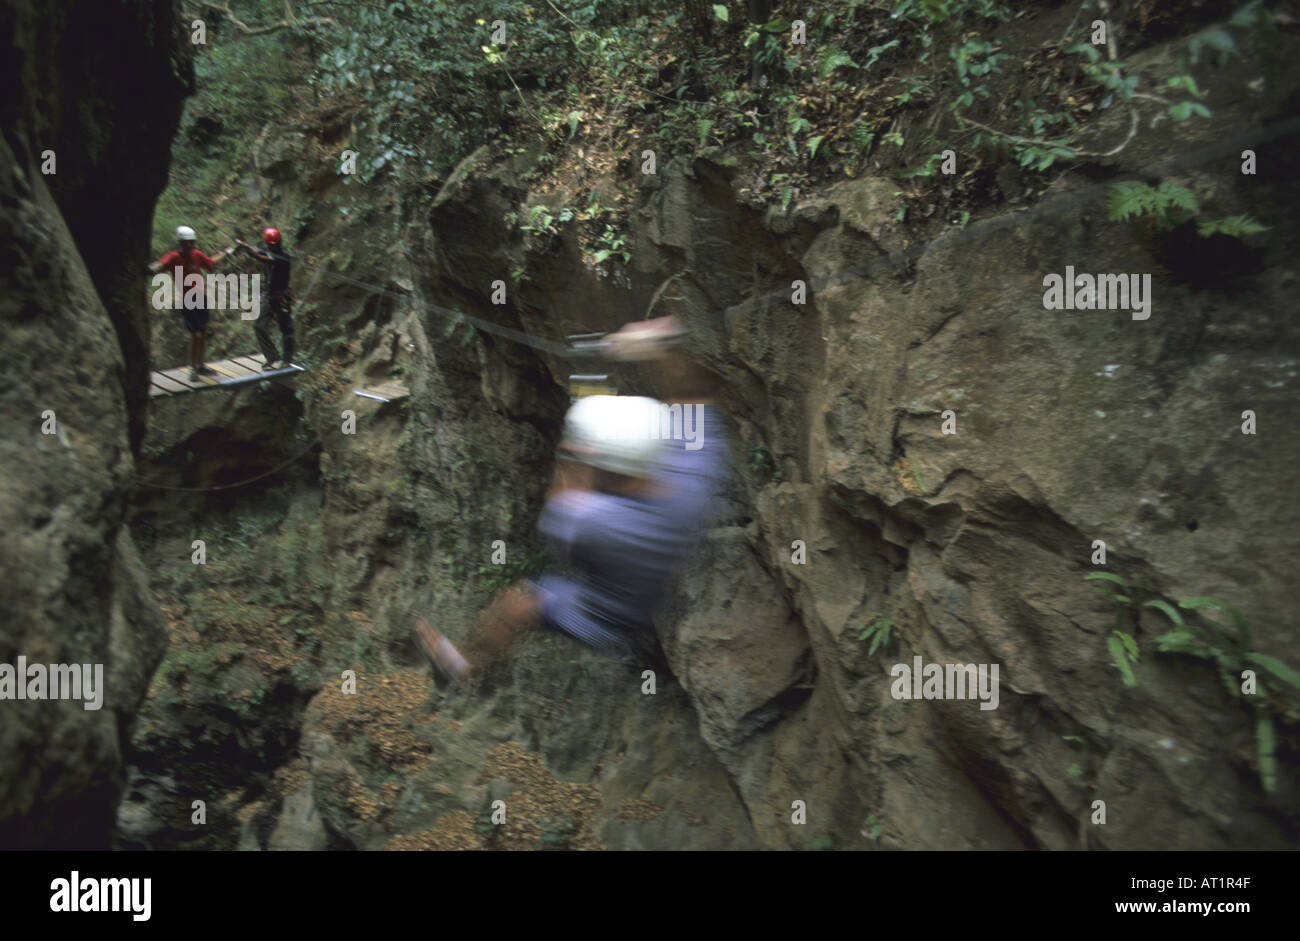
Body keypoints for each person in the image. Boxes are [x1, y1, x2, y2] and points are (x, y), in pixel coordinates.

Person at [413, 314, 728, 685]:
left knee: (521, 603)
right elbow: (692, 396)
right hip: (650, 590)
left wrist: (574, 459)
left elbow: (561, 504)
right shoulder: (688, 484)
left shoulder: (590, 522)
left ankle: (462, 667)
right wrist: (663, 347)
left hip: (603, 616)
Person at [147, 225, 233, 381]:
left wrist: (226, 254)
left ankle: (200, 365)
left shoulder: (196, 255)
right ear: (180, 242)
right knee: (196, 334)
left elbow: (210, 262)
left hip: (201, 297)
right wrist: (151, 269)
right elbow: (160, 265)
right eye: (188, 243)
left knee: (204, 332)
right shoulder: (173, 257)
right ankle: (193, 368)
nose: (191, 246)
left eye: (192, 243)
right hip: (187, 300)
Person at [235, 227, 295, 370]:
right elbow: (259, 251)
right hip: (270, 296)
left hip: (282, 297)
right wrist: (246, 245)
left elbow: (262, 257)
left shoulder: (283, 258)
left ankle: (286, 360)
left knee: (286, 328)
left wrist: (249, 251)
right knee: (259, 326)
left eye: (274, 244)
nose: (272, 246)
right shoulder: (268, 252)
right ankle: (273, 357)